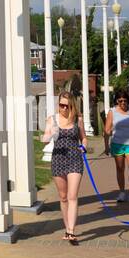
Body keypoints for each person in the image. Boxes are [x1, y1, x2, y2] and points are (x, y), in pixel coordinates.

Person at [42, 90, 88, 244]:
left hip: (75, 158)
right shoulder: (52, 120)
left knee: (72, 196)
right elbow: (44, 138)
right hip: (58, 159)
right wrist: (51, 135)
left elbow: (84, 138)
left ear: (72, 106)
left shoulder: (78, 119)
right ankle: (67, 226)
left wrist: (83, 147)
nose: (64, 109)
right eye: (61, 105)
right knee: (63, 197)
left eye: (67, 106)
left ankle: (71, 231)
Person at [103, 88, 129, 202]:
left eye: (124, 100)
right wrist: (106, 146)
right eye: (120, 101)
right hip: (117, 144)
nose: (123, 103)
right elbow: (106, 130)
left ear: (128, 100)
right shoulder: (112, 112)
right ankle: (121, 192)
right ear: (116, 101)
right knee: (120, 169)